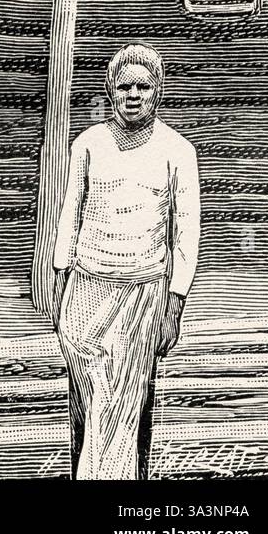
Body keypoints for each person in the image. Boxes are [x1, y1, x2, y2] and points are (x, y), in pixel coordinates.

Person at [52, 43, 201, 481]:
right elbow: (70, 211)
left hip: (143, 290)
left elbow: (185, 233)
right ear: (110, 91)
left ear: (158, 92)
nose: (133, 95)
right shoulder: (89, 143)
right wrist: (61, 278)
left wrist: (173, 306)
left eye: (143, 86)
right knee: (89, 392)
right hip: (86, 284)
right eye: (124, 87)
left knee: (125, 399)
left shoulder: (177, 151)